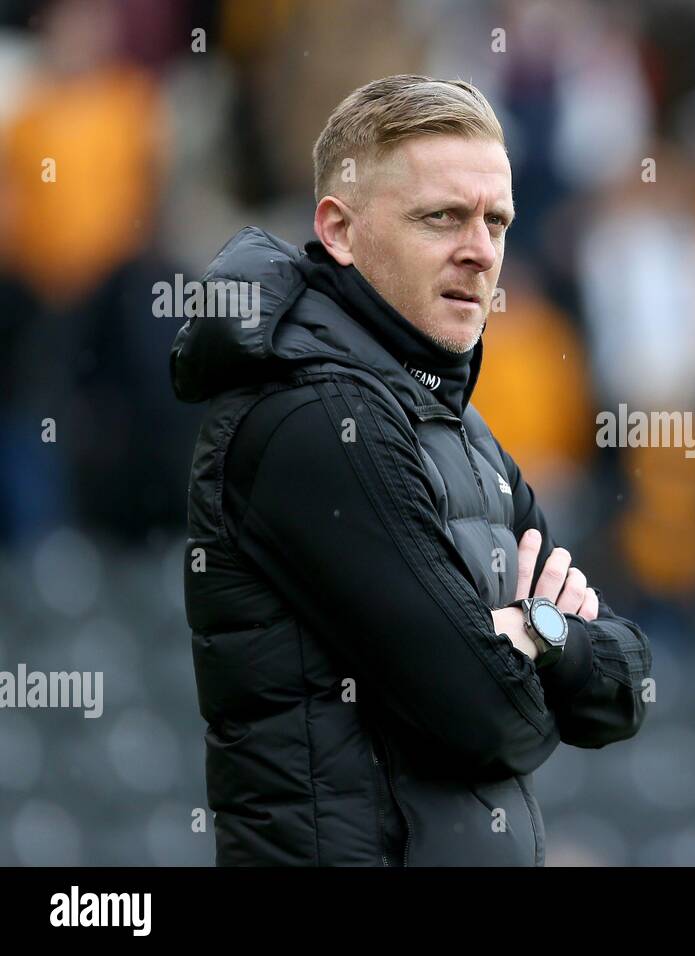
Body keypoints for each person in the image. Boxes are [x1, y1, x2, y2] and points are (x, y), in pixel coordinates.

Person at [169, 75, 651, 866]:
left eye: (497, 221)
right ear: (340, 230)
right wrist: (546, 635)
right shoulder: (314, 417)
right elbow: (488, 712)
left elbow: (621, 697)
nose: (480, 250)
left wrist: (534, 633)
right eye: (442, 218)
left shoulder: (459, 426)